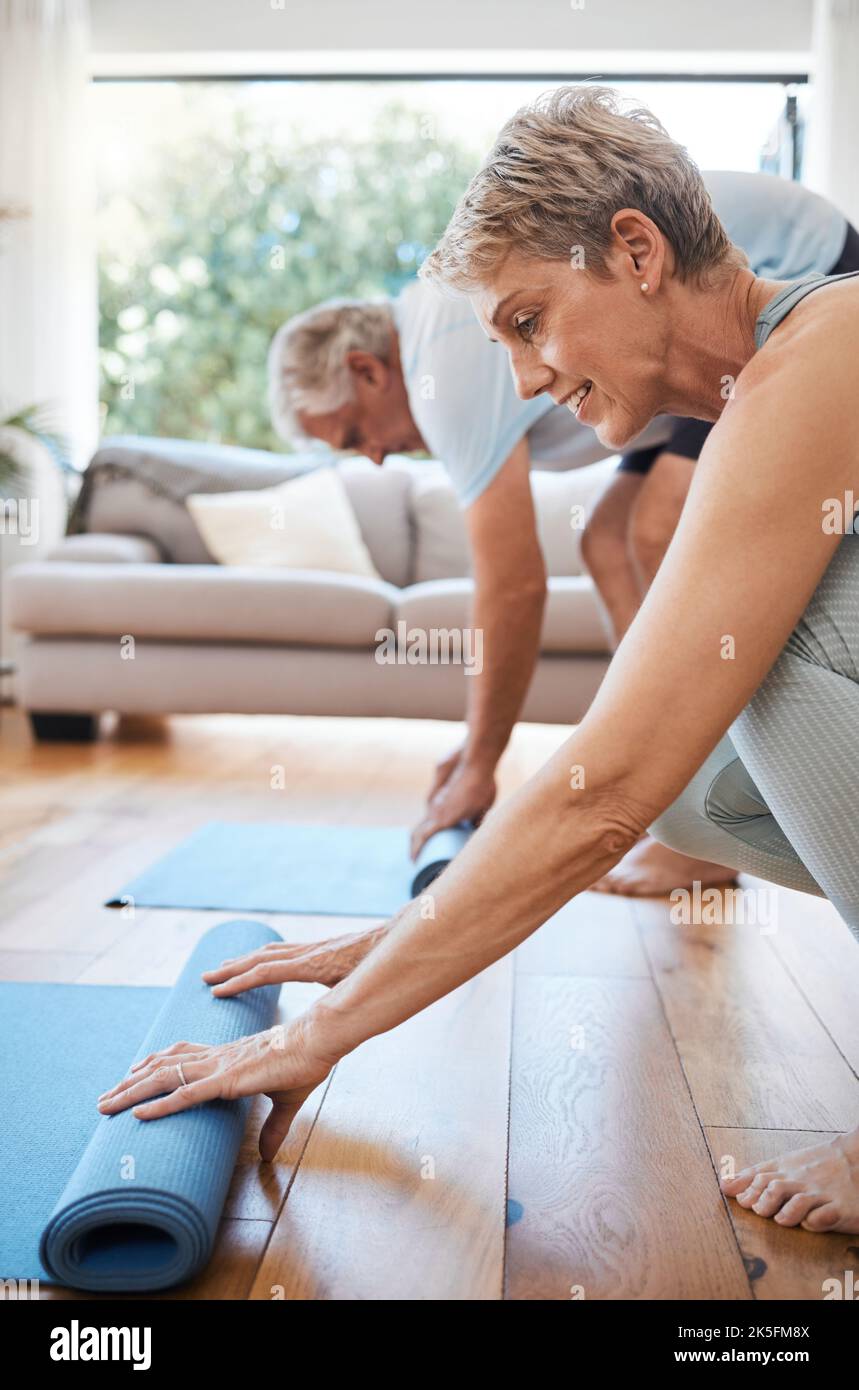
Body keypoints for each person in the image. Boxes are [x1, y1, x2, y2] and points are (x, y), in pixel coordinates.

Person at [102, 87, 859, 1236]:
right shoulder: (772, 382)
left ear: (636, 251)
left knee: (728, 680)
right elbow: (623, 775)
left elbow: (602, 786)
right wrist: (389, 939)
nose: (521, 379)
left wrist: (324, 1029)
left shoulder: (820, 352)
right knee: (700, 783)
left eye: (527, 320)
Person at [268, 170, 859, 898]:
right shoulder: (446, 338)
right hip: (680, 337)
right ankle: (674, 783)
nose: (377, 458)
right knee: (606, 541)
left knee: (653, 529)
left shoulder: (441, 371)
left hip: (809, 266)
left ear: (366, 371)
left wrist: (482, 763)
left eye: (356, 434)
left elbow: (512, 586)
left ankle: (710, 828)